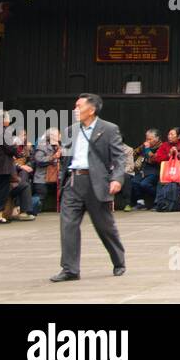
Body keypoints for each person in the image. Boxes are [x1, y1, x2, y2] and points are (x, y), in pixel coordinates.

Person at [51, 94, 127, 281]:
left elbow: (119, 157)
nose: (75, 110)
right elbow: (67, 156)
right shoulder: (71, 130)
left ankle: (118, 261)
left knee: (104, 227)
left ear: (91, 110)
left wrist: (117, 179)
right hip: (73, 182)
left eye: (78, 106)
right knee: (68, 226)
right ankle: (70, 269)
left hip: (96, 184)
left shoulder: (109, 129)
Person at [129, 129, 161, 208]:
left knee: (145, 184)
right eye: (147, 139)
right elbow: (133, 152)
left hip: (155, 171)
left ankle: (158, 199)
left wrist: (147, 149)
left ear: (157, 138)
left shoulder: (161, 146)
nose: (147, 141)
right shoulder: (144, 145)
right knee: (134, 182)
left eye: (150, 139)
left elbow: (153, 159)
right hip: (144, 171)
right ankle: (140, 202)